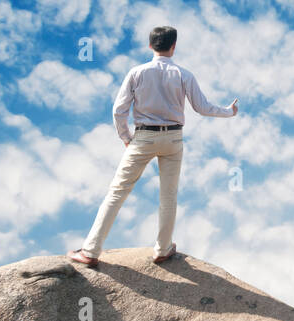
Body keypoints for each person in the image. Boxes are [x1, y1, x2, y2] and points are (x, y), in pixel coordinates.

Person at [68, 26, 238, 267]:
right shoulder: (184, 75)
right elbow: (202, 107)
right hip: (173, 139)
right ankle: (163, 249)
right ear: (173, 46)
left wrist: (126, 137)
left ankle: (90, 251)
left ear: (150, 46)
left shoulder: (137, 72)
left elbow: (119, 110)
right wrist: (229, 112)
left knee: (117, 192)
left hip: (143, 137)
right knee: (168, 196)